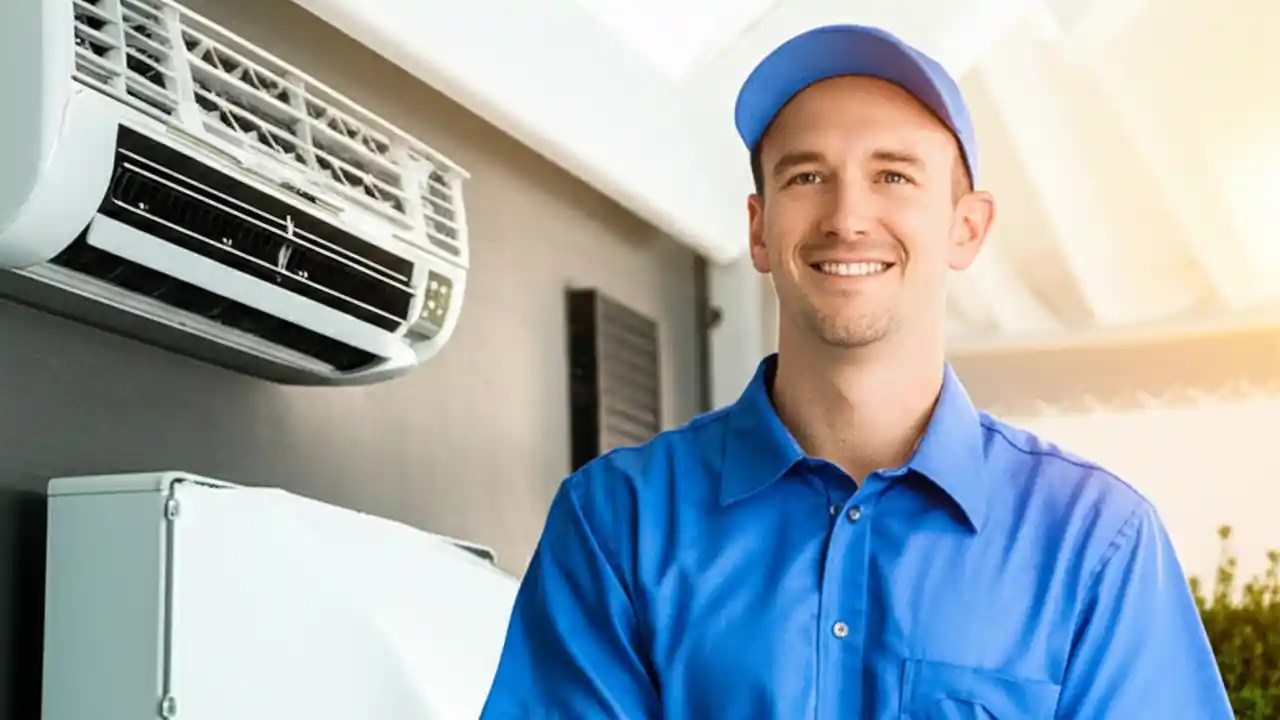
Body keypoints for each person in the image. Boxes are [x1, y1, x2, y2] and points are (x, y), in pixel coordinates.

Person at [480, 24, 1233, 719]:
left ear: (965, 229)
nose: (847, 215)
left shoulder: (1092, 542)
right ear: (759, 227)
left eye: (894, 177)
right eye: (807, 176)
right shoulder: (620, 522)